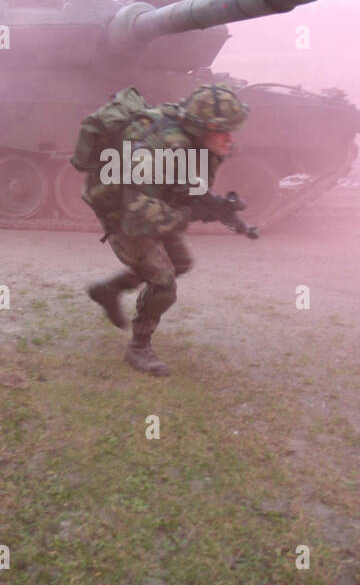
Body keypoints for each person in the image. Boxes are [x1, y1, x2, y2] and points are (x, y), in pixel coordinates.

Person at [85, 84, 249, 377]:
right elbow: (136, 215)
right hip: (125, 215)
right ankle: (138, 347)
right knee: (164, 282)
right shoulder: (156, 150)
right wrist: (188, 214)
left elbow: (185, 183)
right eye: (222, 131)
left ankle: (108, 290)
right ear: (201, 127)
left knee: (182, 264)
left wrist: (217, 206)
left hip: (155, 206)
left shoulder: (193, 141)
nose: (230, 138)